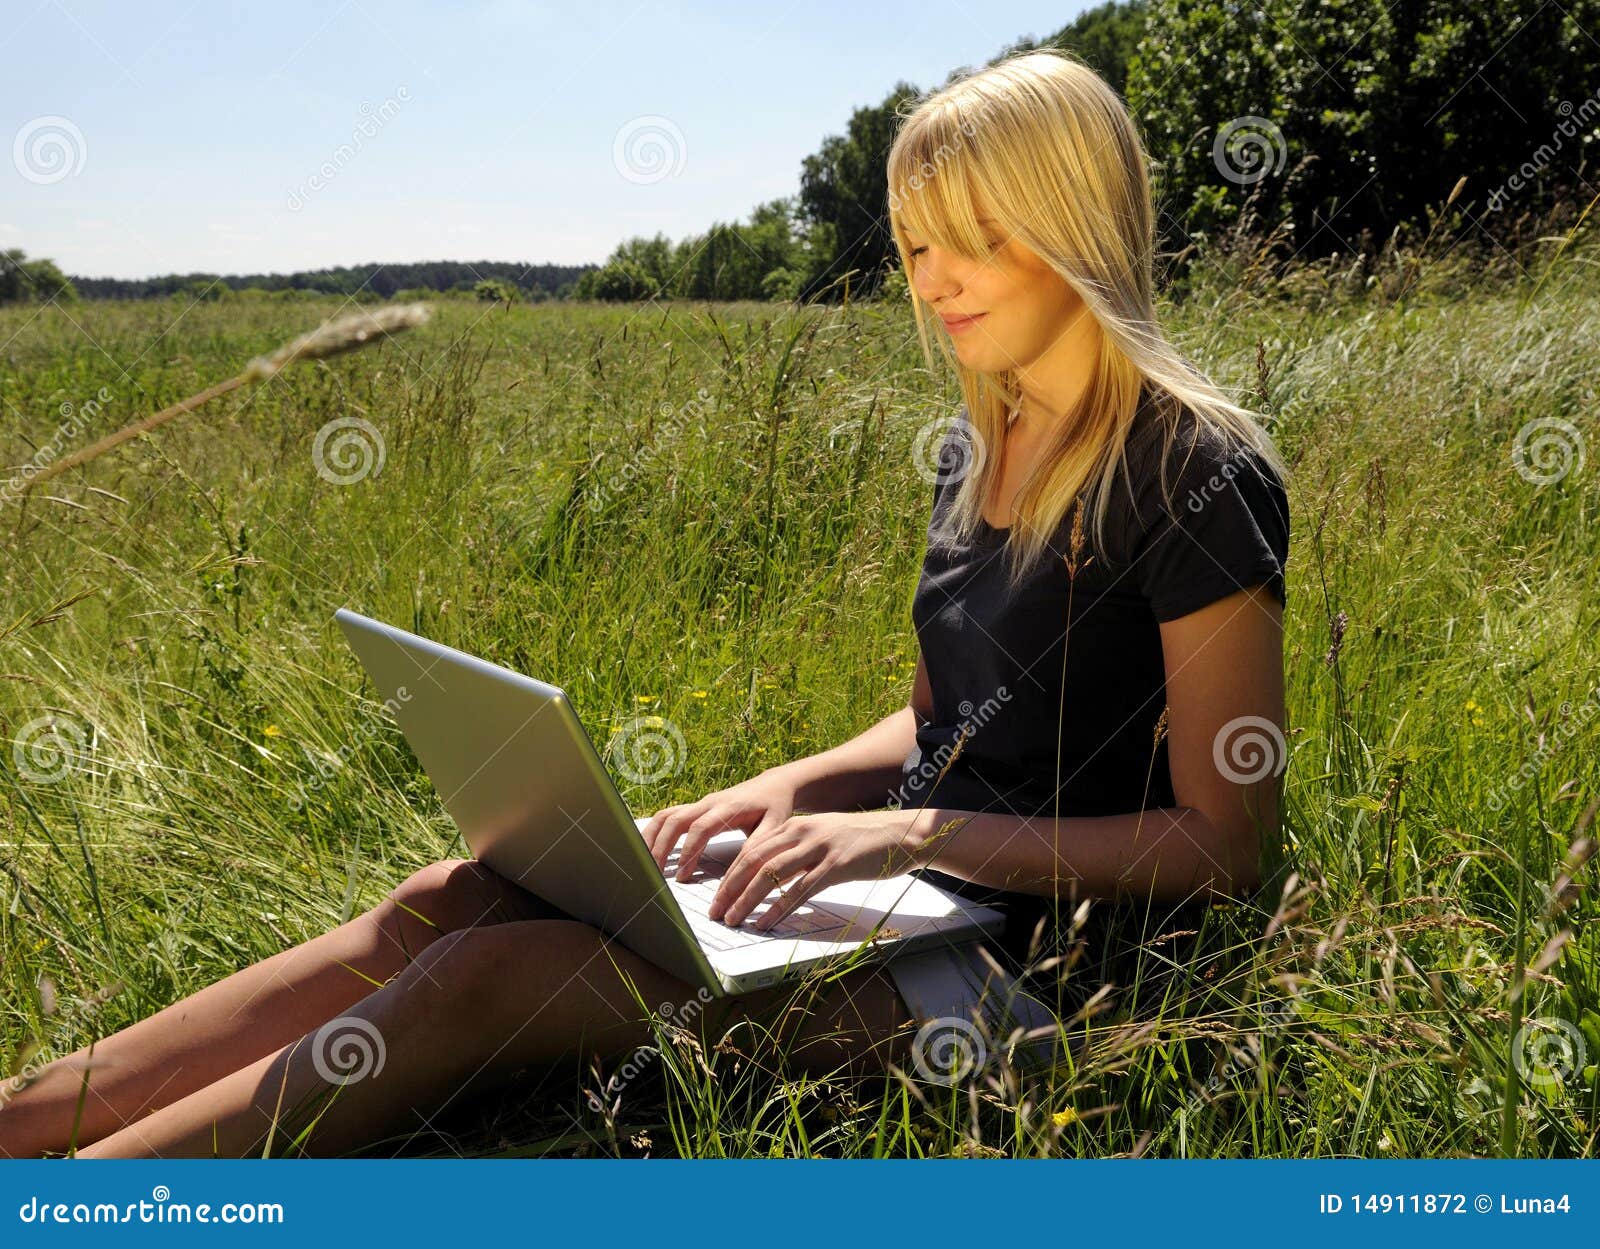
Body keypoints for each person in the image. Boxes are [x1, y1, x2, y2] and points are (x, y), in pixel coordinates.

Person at [0, 47, 1287, 1159]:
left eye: (978, 241)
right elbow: (938, 724)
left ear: (1075, 226)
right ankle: (19, 1123)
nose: (934, 281)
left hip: (1039, 981)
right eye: (912, 246)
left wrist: (911, 838)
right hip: (895, 905)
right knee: (438, 901)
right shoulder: (976, 444)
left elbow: (1224, 845)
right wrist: (777, 796)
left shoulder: (1193, 474)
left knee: (479, 980)